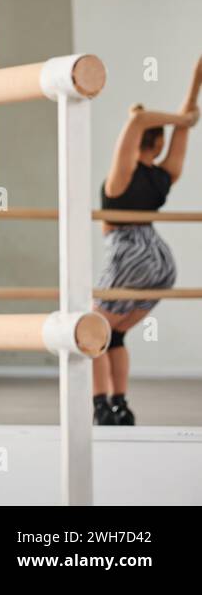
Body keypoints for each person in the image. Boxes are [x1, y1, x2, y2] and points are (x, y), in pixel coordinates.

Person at [92, 56, 201, 425]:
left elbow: (136, 121)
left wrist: (166, 118)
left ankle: (100, 407)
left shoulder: (121, 177)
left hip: (128, 255)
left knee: (93, 329)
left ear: (138, 143)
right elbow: (185, 125)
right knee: (116, 333)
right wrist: (195, 82)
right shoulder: (164, 176)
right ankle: (121, 404)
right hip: (161, 262)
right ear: (158, 146)